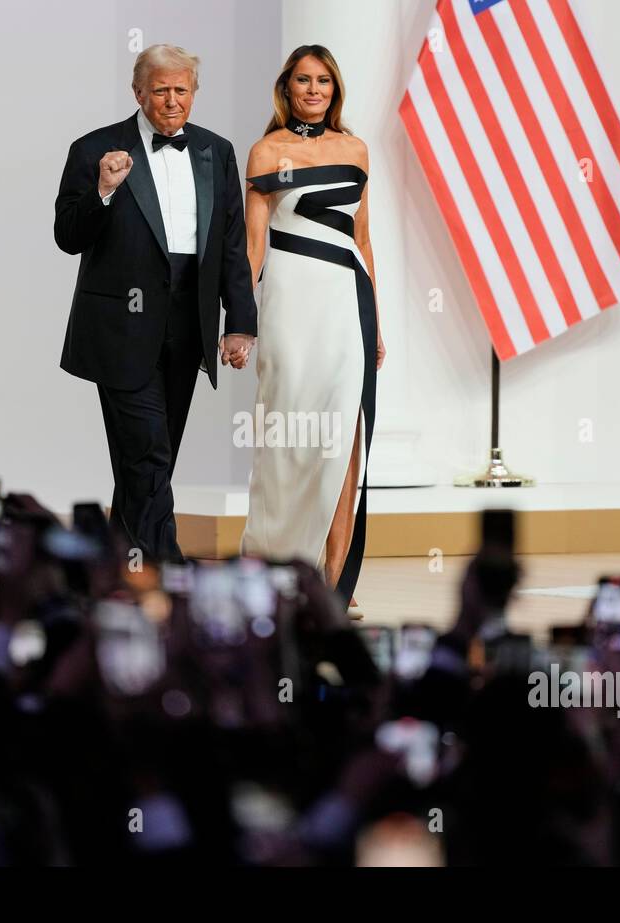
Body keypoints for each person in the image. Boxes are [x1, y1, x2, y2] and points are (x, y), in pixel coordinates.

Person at [54, 44, 257, 562]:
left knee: (148, 458)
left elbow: (232, 244)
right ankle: (169, 571)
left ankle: (118, 570)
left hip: (188, 322)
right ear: (138, 92)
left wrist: (240, 323)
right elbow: (68, 235)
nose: (171, 101)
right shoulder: (94, 148)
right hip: (120, 326)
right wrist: (103, 189)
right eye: (160, 90)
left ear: (194, 93)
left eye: (181, 90)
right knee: (148, 452)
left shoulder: (218, 151)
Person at [239, 45, 384, 619]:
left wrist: (378, 320)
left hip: (349, 302)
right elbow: (253, 245)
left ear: (335, 89)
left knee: (346, 440)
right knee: (287, 437)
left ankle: (335, 586)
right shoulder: (266, 151)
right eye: (304, 80)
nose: (314, 89)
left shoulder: (355, 149)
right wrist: (241, 321)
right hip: (289, 306)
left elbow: (364, 238)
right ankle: (275, 571)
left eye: (324, 80)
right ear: (287, 87)